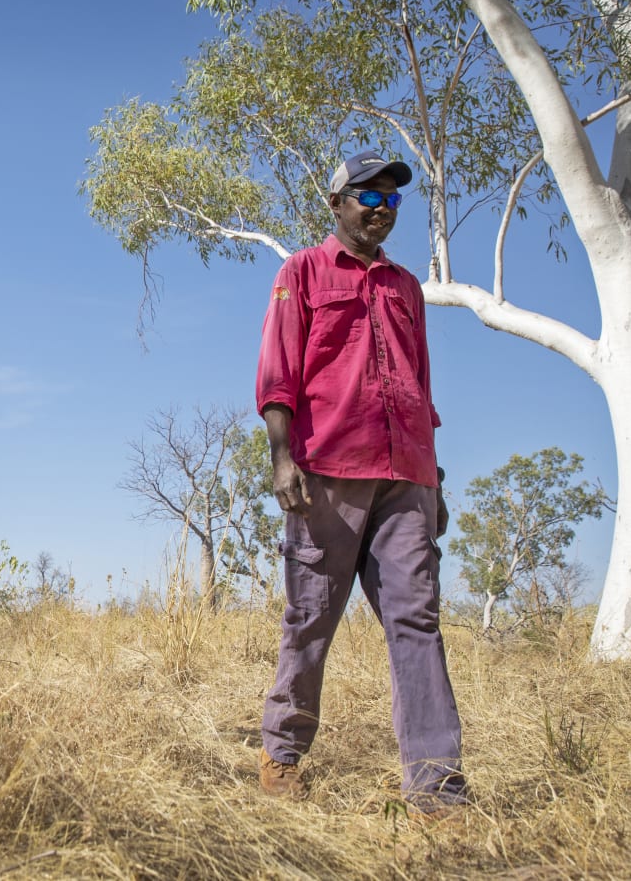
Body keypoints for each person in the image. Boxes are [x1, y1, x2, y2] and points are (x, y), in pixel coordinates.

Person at [254, 151, 467, 813]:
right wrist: (283, 458)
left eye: (391, 201)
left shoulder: (406, 288)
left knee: (417, 620)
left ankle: (436, 785)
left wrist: (435, 476)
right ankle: (283, 753)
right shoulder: (302, 273)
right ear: (338, 204)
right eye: (367, 198)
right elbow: (278, 372)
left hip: (406, 475)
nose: (380, 210)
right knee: (311, 617)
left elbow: (419, 382)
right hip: (327, 473)